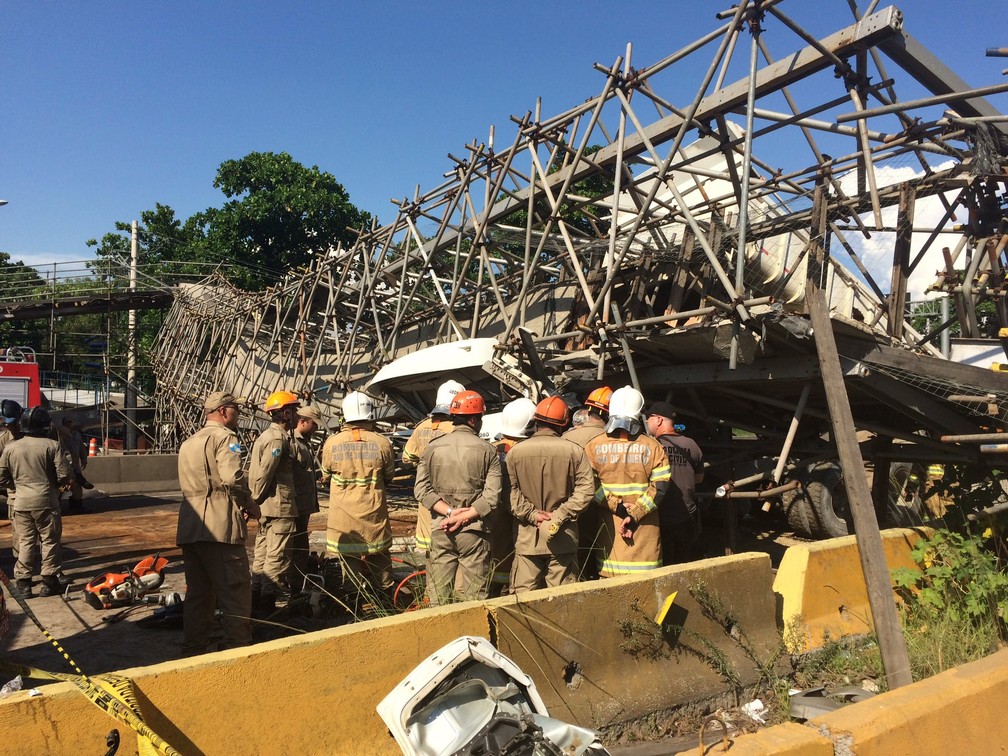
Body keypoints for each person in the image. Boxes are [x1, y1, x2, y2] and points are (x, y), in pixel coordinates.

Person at [176, 391, 258, 654]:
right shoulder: (226, 438)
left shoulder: (188, 442)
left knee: (198, 595)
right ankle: (237, 649)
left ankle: (193, 650)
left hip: (190, 525)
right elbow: (232, 478)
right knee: (235, 592)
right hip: (220, 526)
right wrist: (249, 504)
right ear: (224, 411)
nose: (239, 413)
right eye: (236, 408)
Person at [414, 390, 501, 604]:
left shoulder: (432, 448)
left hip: (441, 527)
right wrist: (465, 516)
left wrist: (451, 513)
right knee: (475, 597)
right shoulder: (488, 451)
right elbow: (492, 496)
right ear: (473, 419)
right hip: (475, 531)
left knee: (438, 598)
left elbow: (421, 490)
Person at [507, 397, 594, 592]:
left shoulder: (515, 453)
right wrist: (559, 515)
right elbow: (586, 490)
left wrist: (532, 515)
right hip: (563, 538)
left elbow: (509, 493)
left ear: (535, 421)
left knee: (524, 598)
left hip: (527, 540)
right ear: (563, 425)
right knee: (563, 598)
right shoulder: (574, 451)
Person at [584, 387, 671, 577]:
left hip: (611, 537)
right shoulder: (653, 446)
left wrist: (619, 508)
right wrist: (635, 513)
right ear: (639, 413)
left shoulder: (593, 446)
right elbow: (661, 488)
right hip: (644, 541)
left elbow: (589, 487)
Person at [320, 391, 396, 600]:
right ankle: (385, 600)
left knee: (349, 560)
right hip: (374, 514)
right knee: (380, 558)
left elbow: (325, 475)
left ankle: (354, 603)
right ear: (370, 414)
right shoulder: (382, 442)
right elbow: (389, 475)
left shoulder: (331, 443)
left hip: (344, 517)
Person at [0, 406, 73, 598]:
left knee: (25, 542)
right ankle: (49, 582)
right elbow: (64, 474)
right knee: (49, 541)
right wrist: (55, 487)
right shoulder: (52, 445)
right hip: (47, 501)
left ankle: (23, 584)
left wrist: (17, 487)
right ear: (44, 426)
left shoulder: (10, 448)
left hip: (21, 503)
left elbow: (1, 478)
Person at [249, 390, 301, 617]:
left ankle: (255, 600)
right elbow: (265, 473)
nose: (297, 415)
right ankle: (266, 607)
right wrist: (255, 499)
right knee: (276, 557)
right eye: (294, 410)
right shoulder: (277, 439)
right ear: (285, 414)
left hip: (267, 509)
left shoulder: (266, 436)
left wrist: (254, 503)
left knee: (261, 555)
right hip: (278, 507)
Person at [401, 380, 464, 559]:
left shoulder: (421, 427)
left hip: (426, 499)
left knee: (432, 555)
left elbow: (407, 457)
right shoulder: (457, 429)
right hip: (452, 498)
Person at [562, 386, 612, 579]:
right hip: (604, 505)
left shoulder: (567, 437)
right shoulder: (611, 439)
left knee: (577, 550)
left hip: (571, 505)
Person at [489, 397, 537, 596]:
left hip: (494, 513)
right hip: (521, 512)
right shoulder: (527, 451)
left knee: (497, 556)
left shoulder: (492, 447)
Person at [646, 401, 704, 564]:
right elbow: (699, 479)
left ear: (658, 420)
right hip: (686, 514)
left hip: (659, 516)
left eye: (649, 418)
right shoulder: (691, 445)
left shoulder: (652, 446)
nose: (647, 421)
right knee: (683, 561)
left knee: (663, 563)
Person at [289, 404, 322, 591]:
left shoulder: (303, 442)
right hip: (295, 506)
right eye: (313, 424)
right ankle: (295, 585)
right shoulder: (293, 442)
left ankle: (298, 581)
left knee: (300, 546)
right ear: (302, 422)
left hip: (303, 505)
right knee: (296, 548)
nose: (316, 428)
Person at [57, 416, 92, 515]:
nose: (69, 424)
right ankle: (57, 507)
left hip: (75, 465)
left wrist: (84, 459)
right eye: (67, 422)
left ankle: (76, 506)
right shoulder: (60, 437)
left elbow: (81, 447)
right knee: (60, 488)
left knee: (77, 488)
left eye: (70, 422)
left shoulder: (76, 435)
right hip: (64, 467)